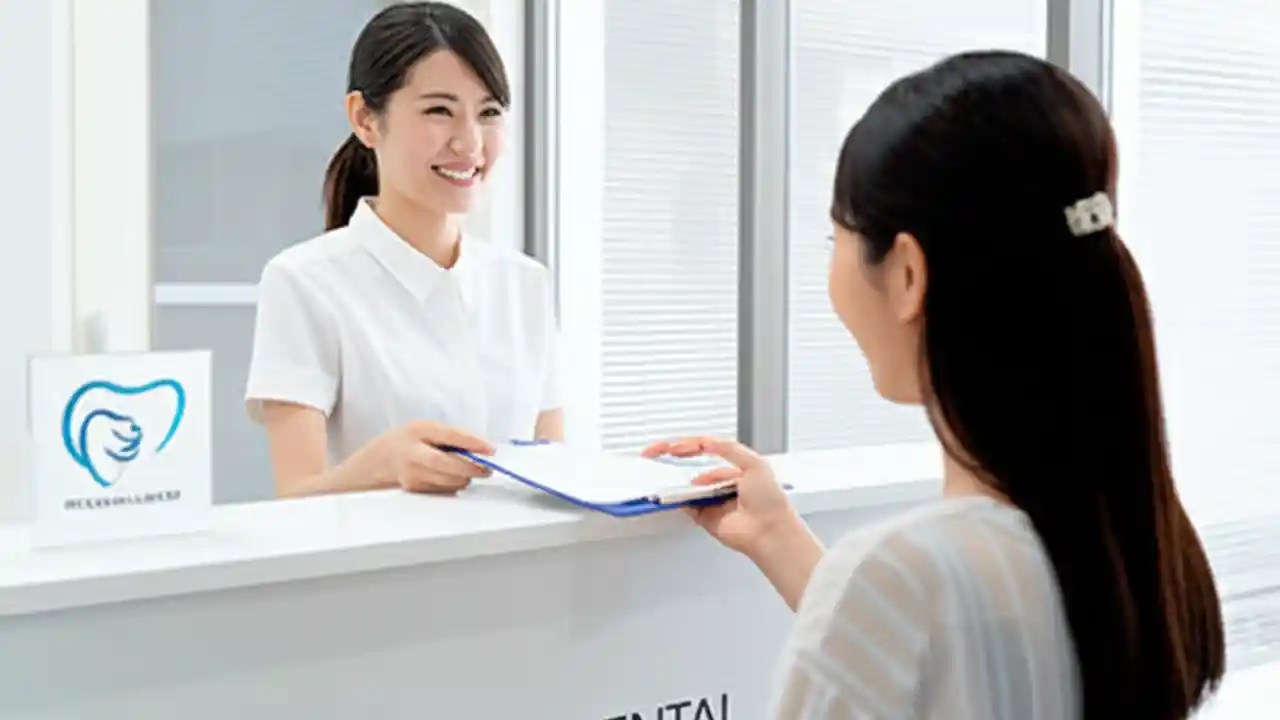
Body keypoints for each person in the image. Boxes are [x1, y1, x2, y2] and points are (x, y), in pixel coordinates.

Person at [646, 51, 1224, 719]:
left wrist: (851, 594)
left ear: (908, 274)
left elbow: (919, 628)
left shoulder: (903, 580)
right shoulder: (1132, 546)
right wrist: (780, 540)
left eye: (835, 237)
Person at [245, 2, 562, 498]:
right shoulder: (303, 281)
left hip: (519, 573)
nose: (469, 142)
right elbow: (295, 495)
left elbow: (555, 476)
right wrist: (382, 465)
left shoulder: (524, 283)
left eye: (488, 113)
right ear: (365, 119)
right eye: (439, 110)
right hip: (380, 573)